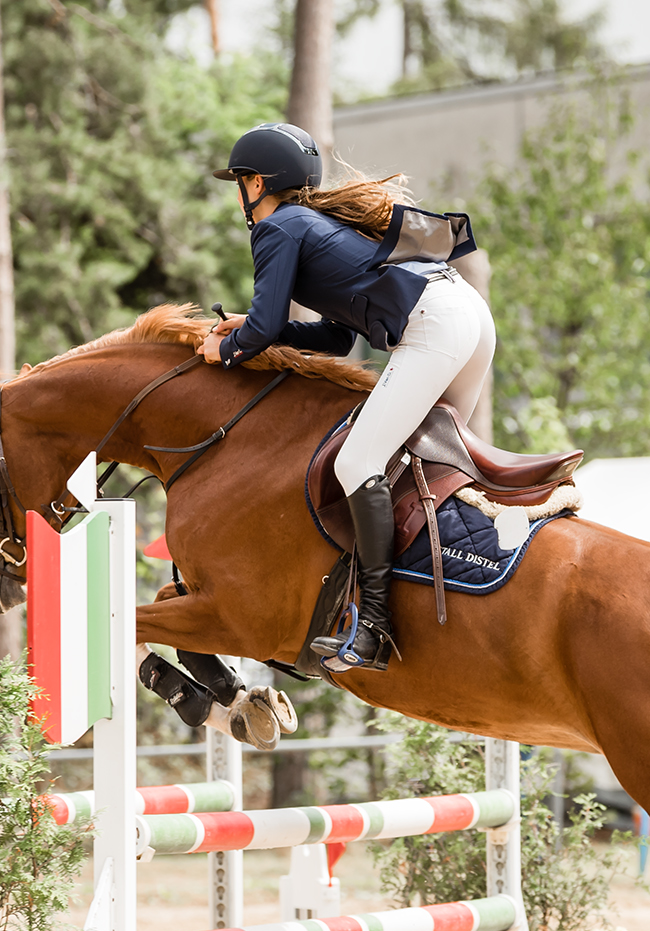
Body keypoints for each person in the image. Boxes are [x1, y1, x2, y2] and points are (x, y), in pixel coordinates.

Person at [202, 121, 489, 673]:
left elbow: (260, 332)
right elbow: (335, 337)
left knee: (360, 461)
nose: (240, 194)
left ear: (257, 183)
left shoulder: (279, 227)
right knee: (423, 463)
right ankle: (456, 576)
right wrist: (255, 328)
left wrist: (227, 349)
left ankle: (377, 627)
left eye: (240, 182)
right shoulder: (312, 223)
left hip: (436, 321)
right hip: (467, 312)